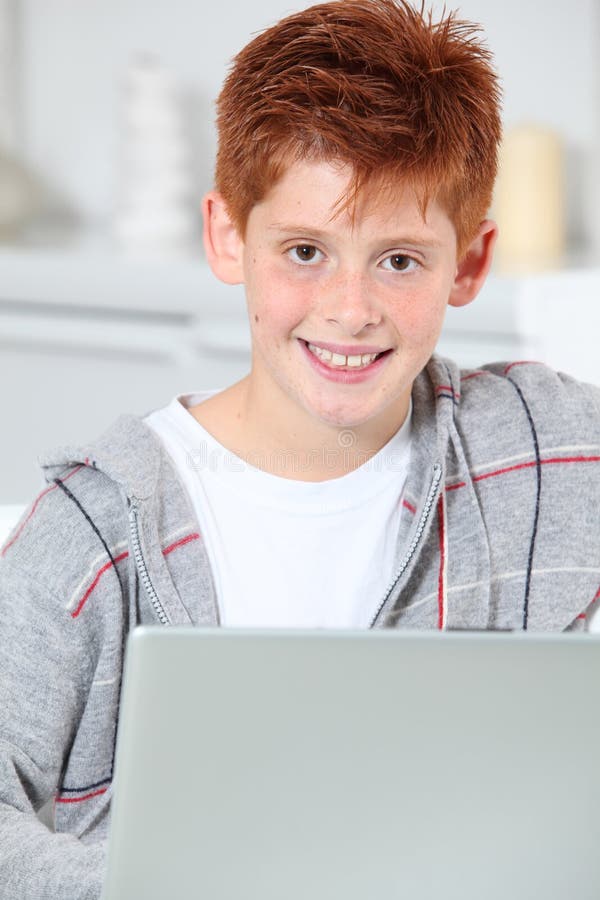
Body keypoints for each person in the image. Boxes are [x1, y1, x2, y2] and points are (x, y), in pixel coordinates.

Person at [1, 0, 599, 897]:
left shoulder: (541, 448)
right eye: (306, 251)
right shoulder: (97, 530)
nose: (350, 309)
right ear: (228, 237)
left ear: (469, 266)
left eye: (400, 260)